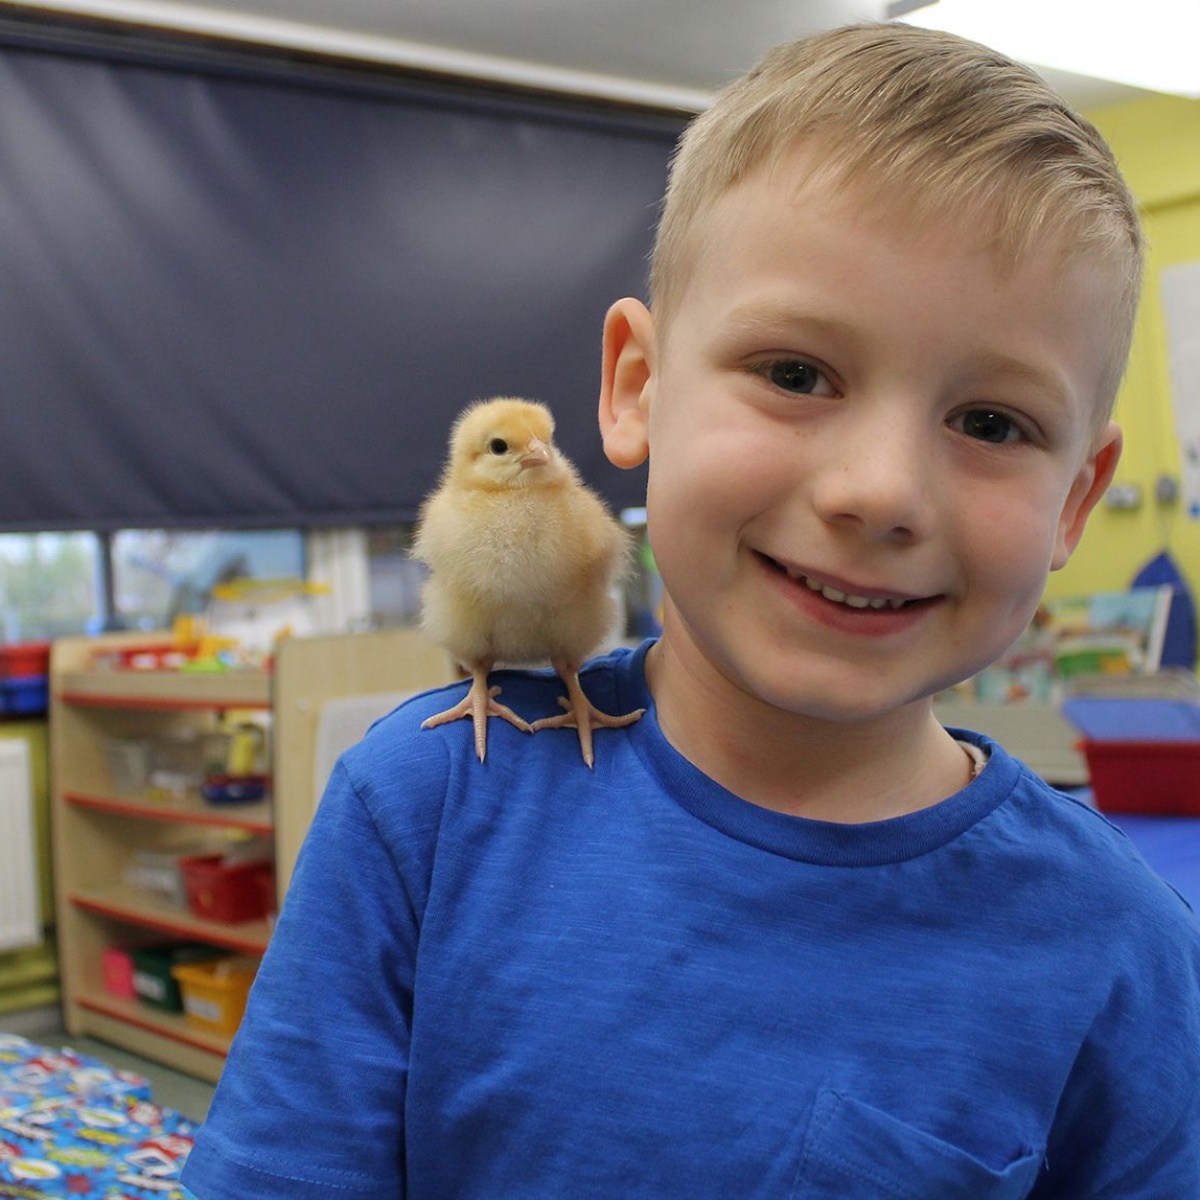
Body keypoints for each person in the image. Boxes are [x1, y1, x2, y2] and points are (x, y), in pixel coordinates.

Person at [181, 22, 1200, 1199]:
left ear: (1075, 498)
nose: (879, 492)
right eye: (795, 374)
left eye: (991, 424)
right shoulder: (422, 810)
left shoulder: (1125, 954)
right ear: (637, 388)